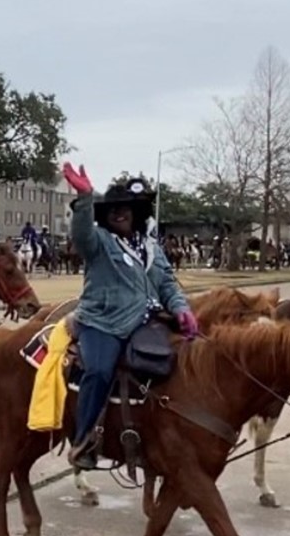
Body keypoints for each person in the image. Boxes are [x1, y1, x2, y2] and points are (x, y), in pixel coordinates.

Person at [60, 164, 199, 471]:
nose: (119, 214)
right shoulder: (99, 241)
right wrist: (84, 197)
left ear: (135, 212)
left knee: (173, 368)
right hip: (102, 322)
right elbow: (80, 235)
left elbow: (166, 284)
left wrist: (181, 308)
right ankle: (84, 440)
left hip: (146, 322)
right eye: (112, 210)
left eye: (124, 209)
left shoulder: (152, 248)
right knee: (98, 371)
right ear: (104, 216)